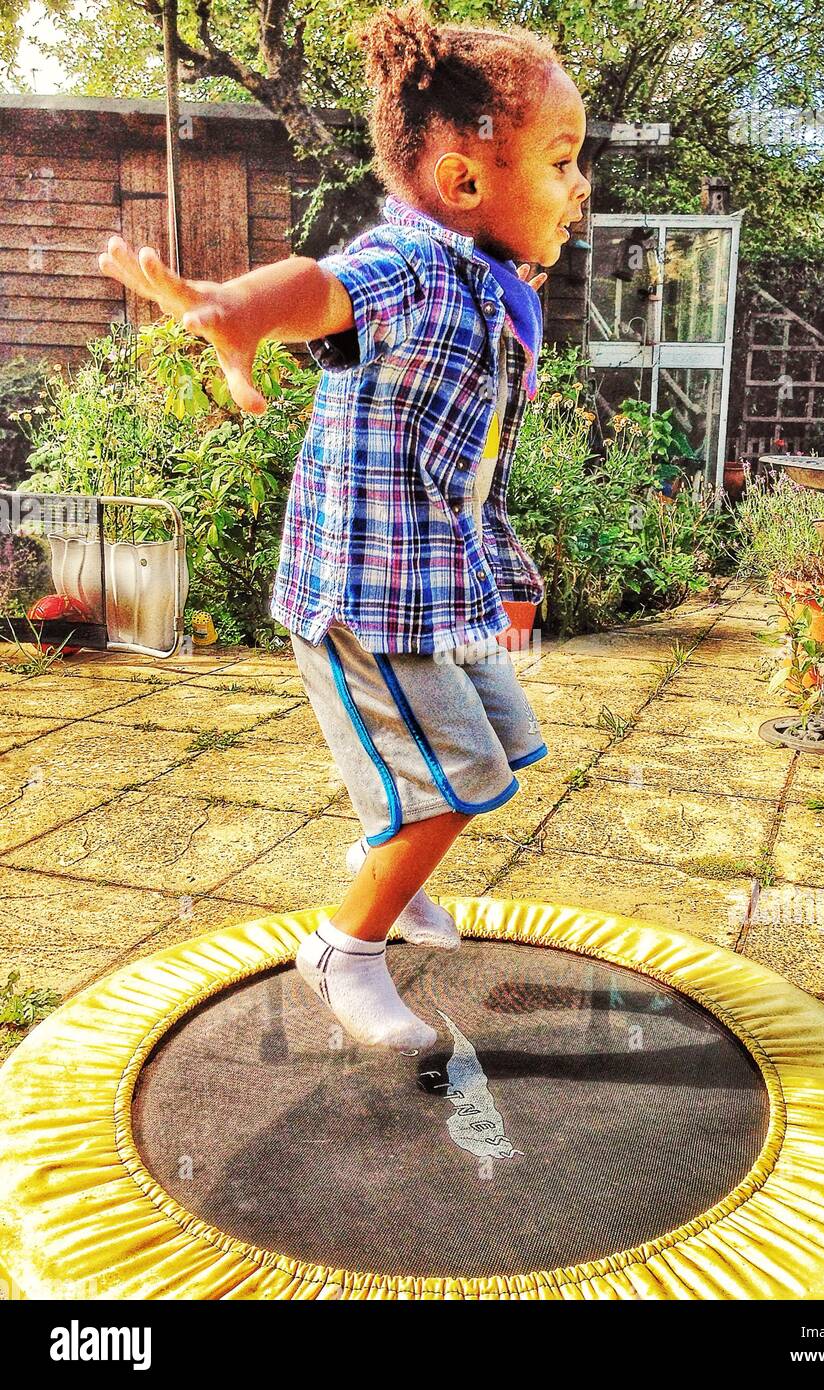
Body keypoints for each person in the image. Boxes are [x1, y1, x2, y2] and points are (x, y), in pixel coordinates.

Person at [99, 0, 590, 1055]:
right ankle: (346, 949)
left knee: (499, 745)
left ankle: (400, 878)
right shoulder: (416, 265)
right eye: (560, 161)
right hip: (364, 593)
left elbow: (477, 470)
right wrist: (238, 307)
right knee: (450, 783)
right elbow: (321, 287)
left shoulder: (495, 299)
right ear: (463, 180)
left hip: (433, 586)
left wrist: (505, 569)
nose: (579, 187)